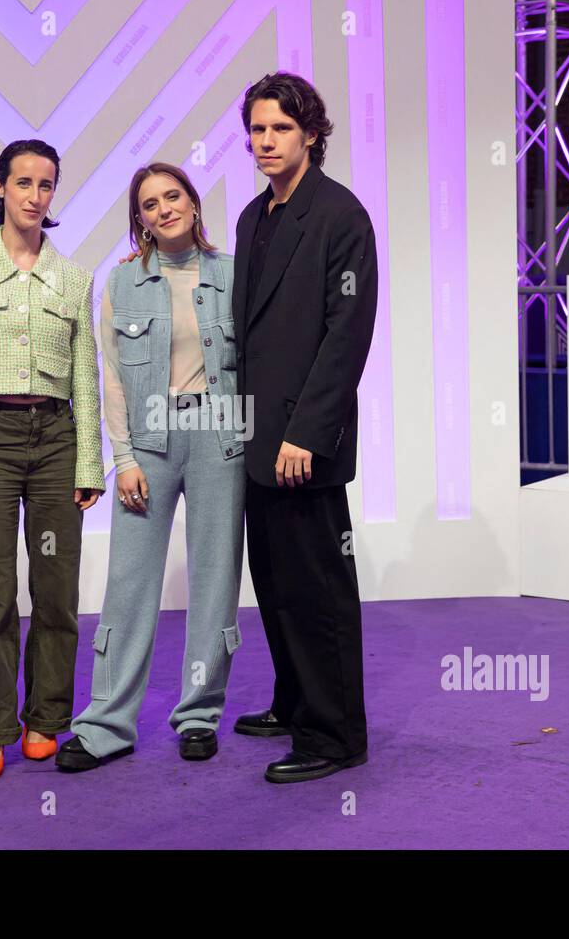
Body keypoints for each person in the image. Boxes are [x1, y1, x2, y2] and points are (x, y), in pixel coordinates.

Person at [55, 163, 245, 772]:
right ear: (139, 219)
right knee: (130, 583)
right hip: (151, 440)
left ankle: (198, 714)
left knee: (215, 580)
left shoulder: (233, 273)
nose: (164, 209)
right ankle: (107, 724)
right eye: (149, 203)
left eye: (173, 196)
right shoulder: (122, 282)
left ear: (192, 201)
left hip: (220, 434)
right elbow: (112, 379)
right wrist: (125, 458)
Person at [0, 140, 104, 780]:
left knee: (56, 589)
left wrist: (91, 461)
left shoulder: (74, 278)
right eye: (24, 182)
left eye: (47, 184)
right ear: (0, 187)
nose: (35, 195)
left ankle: (45, 720)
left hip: (56, 439)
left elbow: (84, 377)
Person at [231, 72, 378, 783]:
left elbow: (346, 335)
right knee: (277, 584)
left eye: (280, 129)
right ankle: (295, 704)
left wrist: (306, 433)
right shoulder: (252, 218)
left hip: (303, 443)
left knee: (318, 591)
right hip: (258, 439)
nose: (265, 142)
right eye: (257, 130)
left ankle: (335, 735)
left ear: (312, 134)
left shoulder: (340, 215)